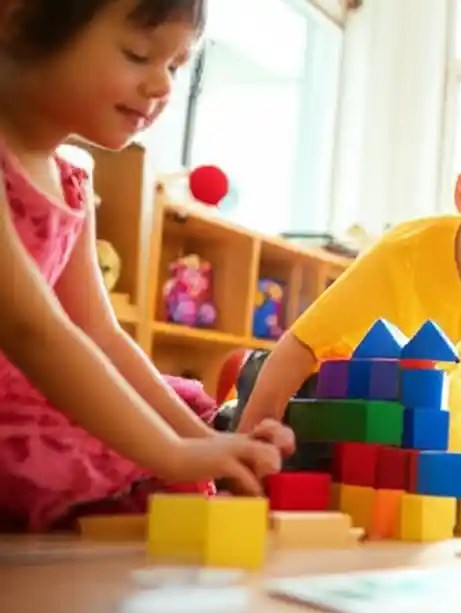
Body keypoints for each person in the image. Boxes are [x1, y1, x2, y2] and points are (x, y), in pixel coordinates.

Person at [0, 0, 288, 532]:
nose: (161, 87)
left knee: (177, 432)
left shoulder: (71, 182)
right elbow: (30, 329)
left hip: (38, 393)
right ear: (16, 19)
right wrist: (173, 454)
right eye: (138, 54)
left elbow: (100, 336)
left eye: (176, 66)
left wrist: (204, 443)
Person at [234, 122, 461, 452]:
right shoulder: (403, 254)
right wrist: (249, 442)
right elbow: (303, 344)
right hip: (333, 392)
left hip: (424, 410)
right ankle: (234, 399)